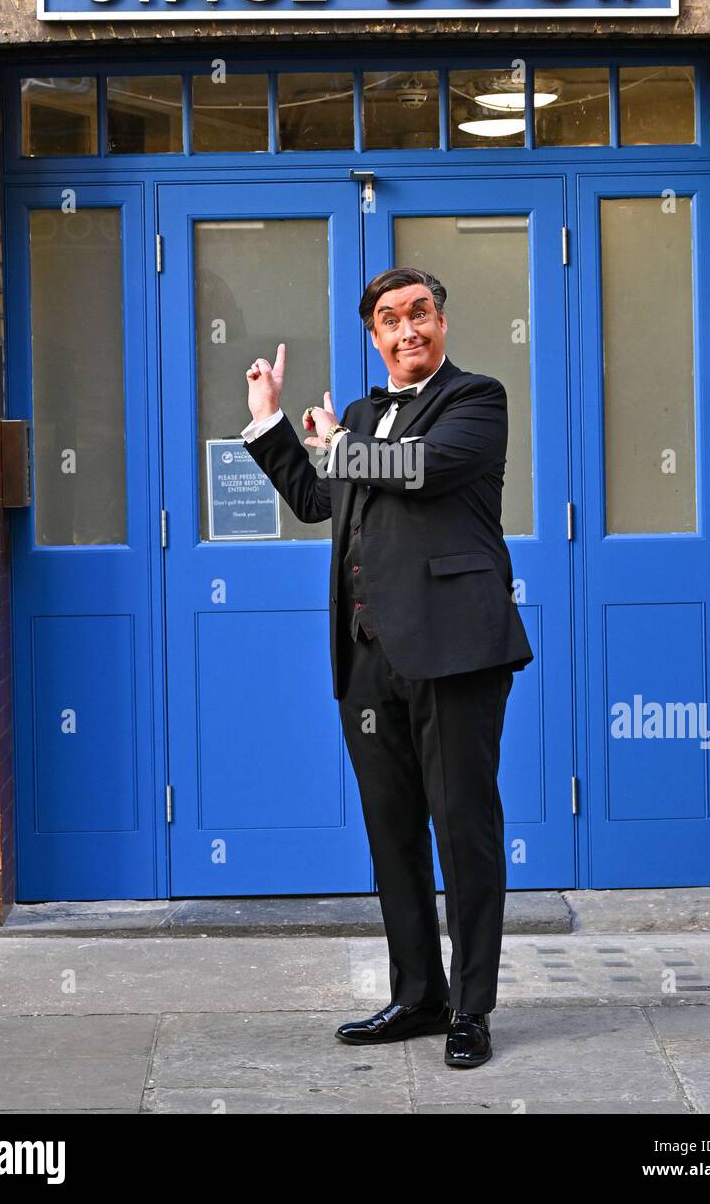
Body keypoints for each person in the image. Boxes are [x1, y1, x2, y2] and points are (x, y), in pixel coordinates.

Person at [241, 266, 533, 1069]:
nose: (407, 331)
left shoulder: (477, 400)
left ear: (441, 322)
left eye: (420, 314)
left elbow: (417, 469)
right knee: (391, 833)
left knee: (463, 829)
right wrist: (271, 425)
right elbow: (315, 499)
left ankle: (471, 1006)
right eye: (389, 320)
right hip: (369, 657)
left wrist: (339, 443)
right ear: (373, 336)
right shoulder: (365, 415)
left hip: (457, 650)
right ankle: (417, 994)